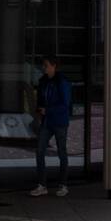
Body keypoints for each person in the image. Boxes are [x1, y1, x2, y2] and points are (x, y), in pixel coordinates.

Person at [29, 55, 72, 198]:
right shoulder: (44, 82)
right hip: (47, 122)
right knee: (39, 150)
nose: (44, 68)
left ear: (54, 66)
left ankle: (63, 185)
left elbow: (65, 104)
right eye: (44, 65)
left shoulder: (62, 82)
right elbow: (41, 99)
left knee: (62, 152)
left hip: (59, 121)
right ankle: (42, 185)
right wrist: (39, 111)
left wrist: (48, 110)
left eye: (46, 65)